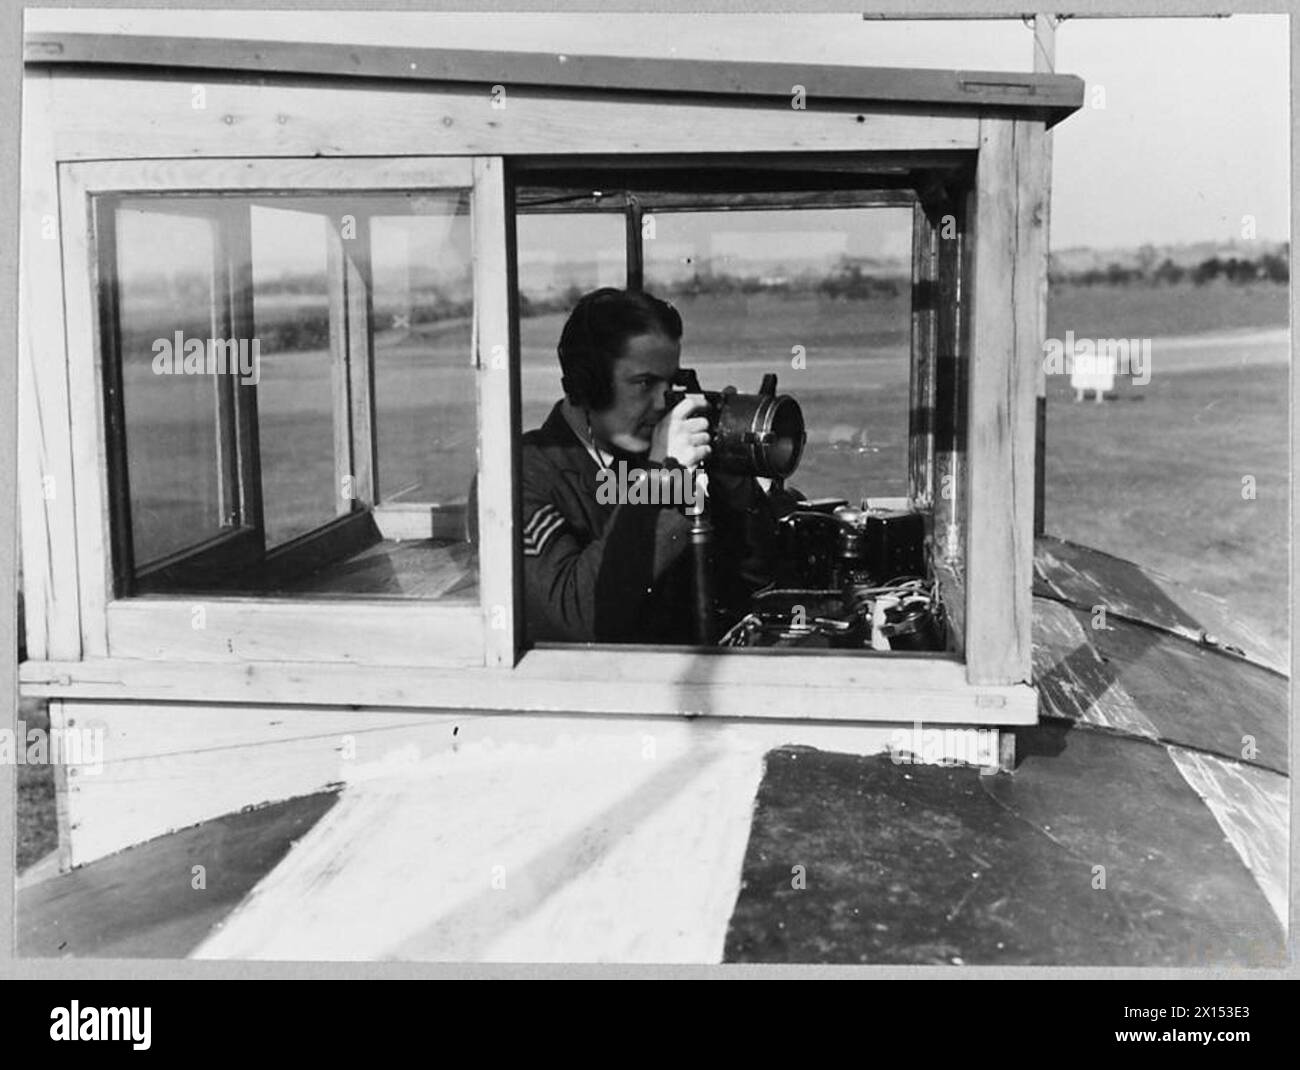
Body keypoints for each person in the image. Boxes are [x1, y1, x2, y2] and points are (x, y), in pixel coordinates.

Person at [521, 287, 778, 644]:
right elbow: (578, 617)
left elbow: (754, 582)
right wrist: (662, 478)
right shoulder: (521, 475)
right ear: (586, 386)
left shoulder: (652, 455)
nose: (662, 402)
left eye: (669, 381)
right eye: (643, 383)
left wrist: (727, 472)